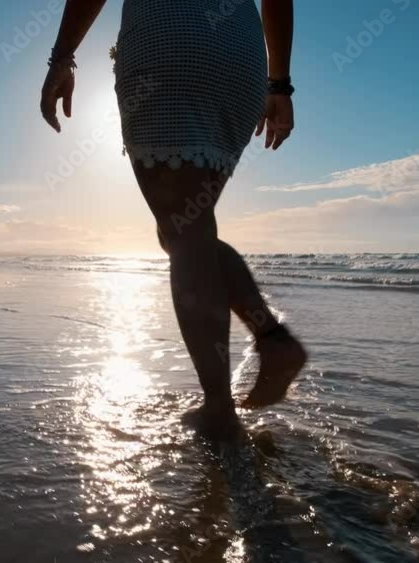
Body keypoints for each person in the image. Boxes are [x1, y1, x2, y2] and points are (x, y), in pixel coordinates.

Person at [41, 0, 306, 437]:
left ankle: (226, 403)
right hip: (240, 54)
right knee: (188, 229)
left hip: (168, 41)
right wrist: (280, 83)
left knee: (186, 232)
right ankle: (265, 351)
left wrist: (62, 57)